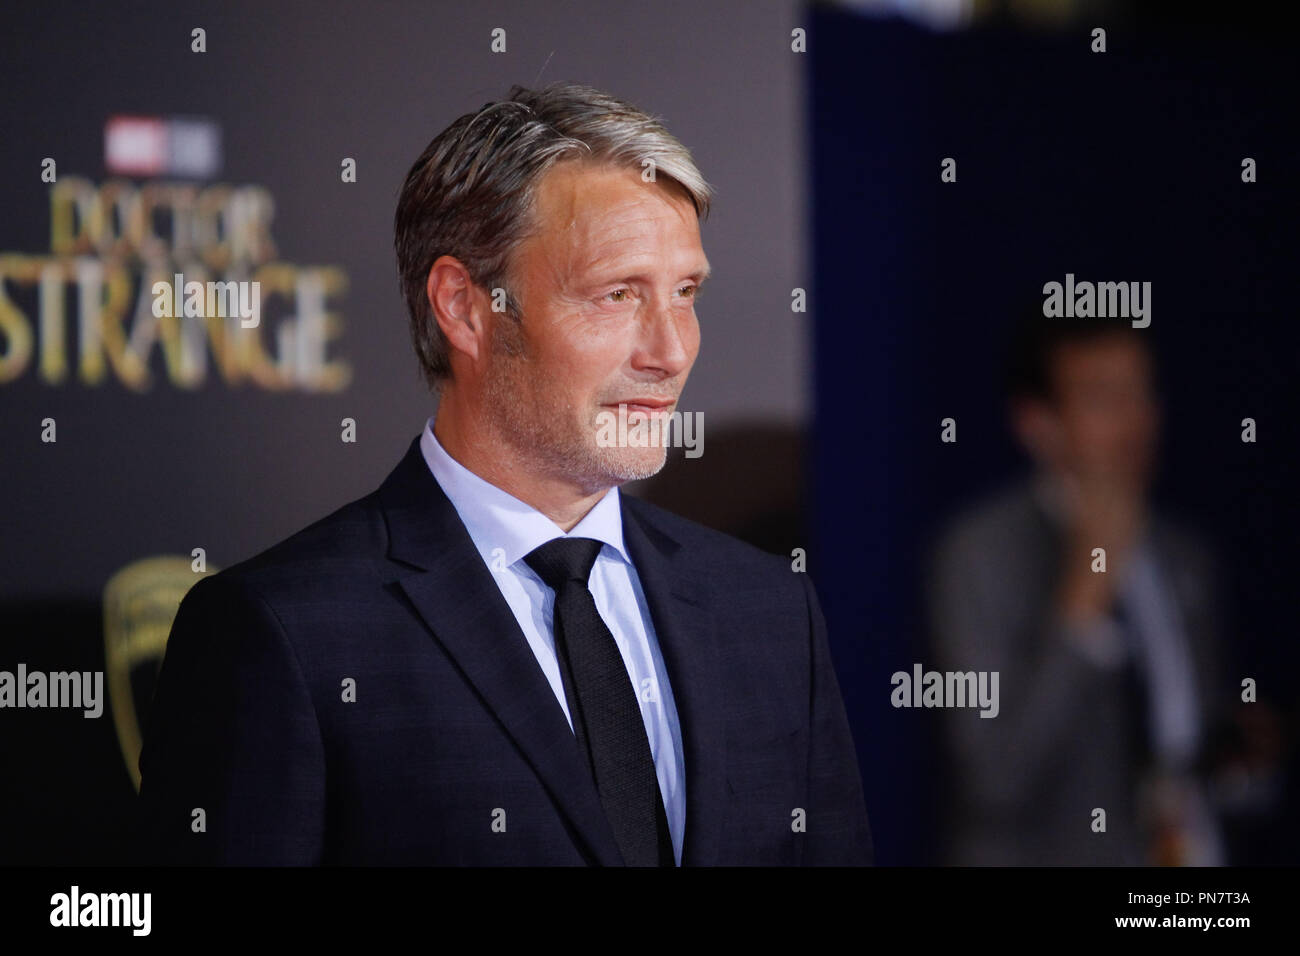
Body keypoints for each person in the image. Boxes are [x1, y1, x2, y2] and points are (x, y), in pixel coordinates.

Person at [132, 82, 872, 866]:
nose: (671, 351)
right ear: (465, 305)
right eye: (617, 294)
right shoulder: (284, 633)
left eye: (685, 293)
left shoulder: (768, 612)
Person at [927, 314, 1228, 865]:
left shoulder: (1184, 554)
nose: (1133, 422)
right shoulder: (978, 555)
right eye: (1101, 398)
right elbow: (996, 779)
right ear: (1037, 422)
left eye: (1141, 393)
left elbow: (1191, 750)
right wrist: (1081, 604)